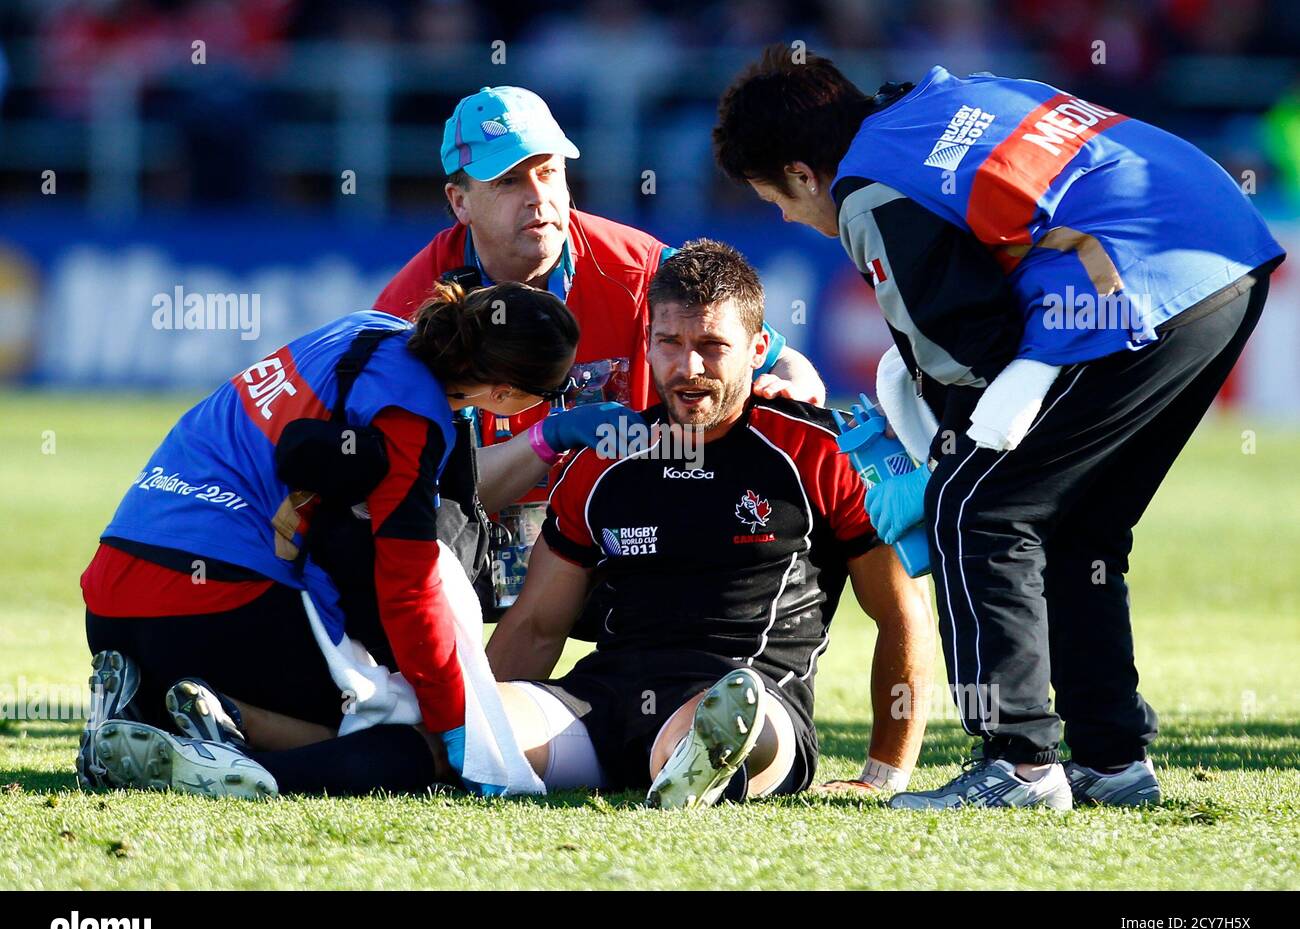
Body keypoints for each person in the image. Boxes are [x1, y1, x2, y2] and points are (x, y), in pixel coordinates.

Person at [712, 45, 1286, 809]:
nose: (785, 217)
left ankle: (1017, 762)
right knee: (1075, 526)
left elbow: (969, 348)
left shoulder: (866, 189)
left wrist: (934, 445)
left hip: (1129, 284)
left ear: (800, 172)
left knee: (975, 507)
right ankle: (1111, 760)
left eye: (773, 198)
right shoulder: (940, 100)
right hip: (1224, 254)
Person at [78, 281, 592, 798]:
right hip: (217, 607)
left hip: (111, 600)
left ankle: (147, 701)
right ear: (504, 394)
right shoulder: (409, 418)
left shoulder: (362, 329)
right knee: (409, 732)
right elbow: (408, 590)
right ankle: (221, 738)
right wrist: (456, 725)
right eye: (550, 394)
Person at [487, 240, 936, 807]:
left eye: (712, 347)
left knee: (715, 720)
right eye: (669, 343)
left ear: (758, 349)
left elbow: (903, 615)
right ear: (647, 344)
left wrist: (885, 772)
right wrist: (469, 715)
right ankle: (661, 766)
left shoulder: (824, 450)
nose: (688, 368)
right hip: (604, 701)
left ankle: (691, 759)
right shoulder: (603, 457)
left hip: (752, 703)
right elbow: (535, 626)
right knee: (476, 720)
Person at [373, 86, 827, 612]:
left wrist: (791, 386)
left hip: (623, 530)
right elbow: (410, 489)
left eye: (549, 172)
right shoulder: (410, 309)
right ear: (460, 202)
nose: (537, 196)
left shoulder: (638, 267)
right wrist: (548, 438)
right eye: (508, 181)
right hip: (472, 537)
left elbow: (784, 360)